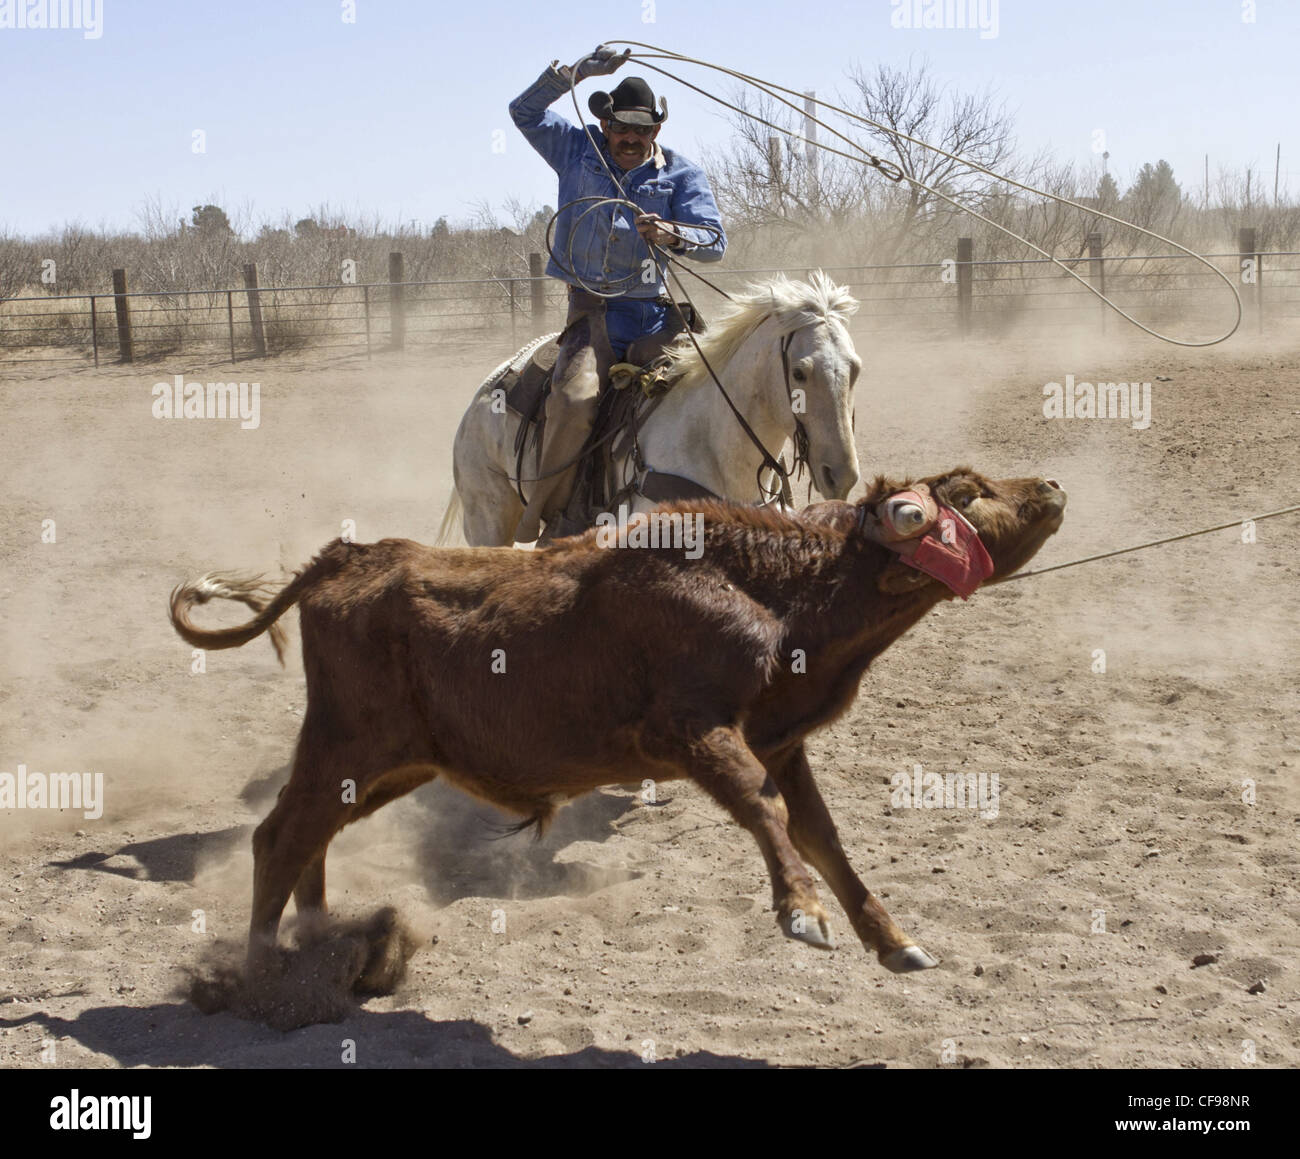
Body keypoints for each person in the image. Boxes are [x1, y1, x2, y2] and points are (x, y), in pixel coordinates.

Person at [508, 44, 727, 542]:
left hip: (657, 316)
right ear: (605, 126)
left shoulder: (681, 175)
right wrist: (579, 73)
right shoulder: (574, 150)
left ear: (657, 131)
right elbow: (523, 112)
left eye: (642, 130)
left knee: (720, 388)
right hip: (593, 315)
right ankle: (546, 513)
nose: (631, 138)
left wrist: (672, 233)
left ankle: (738, 501)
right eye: (622, 128)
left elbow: (715, 243)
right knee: (575, 399)